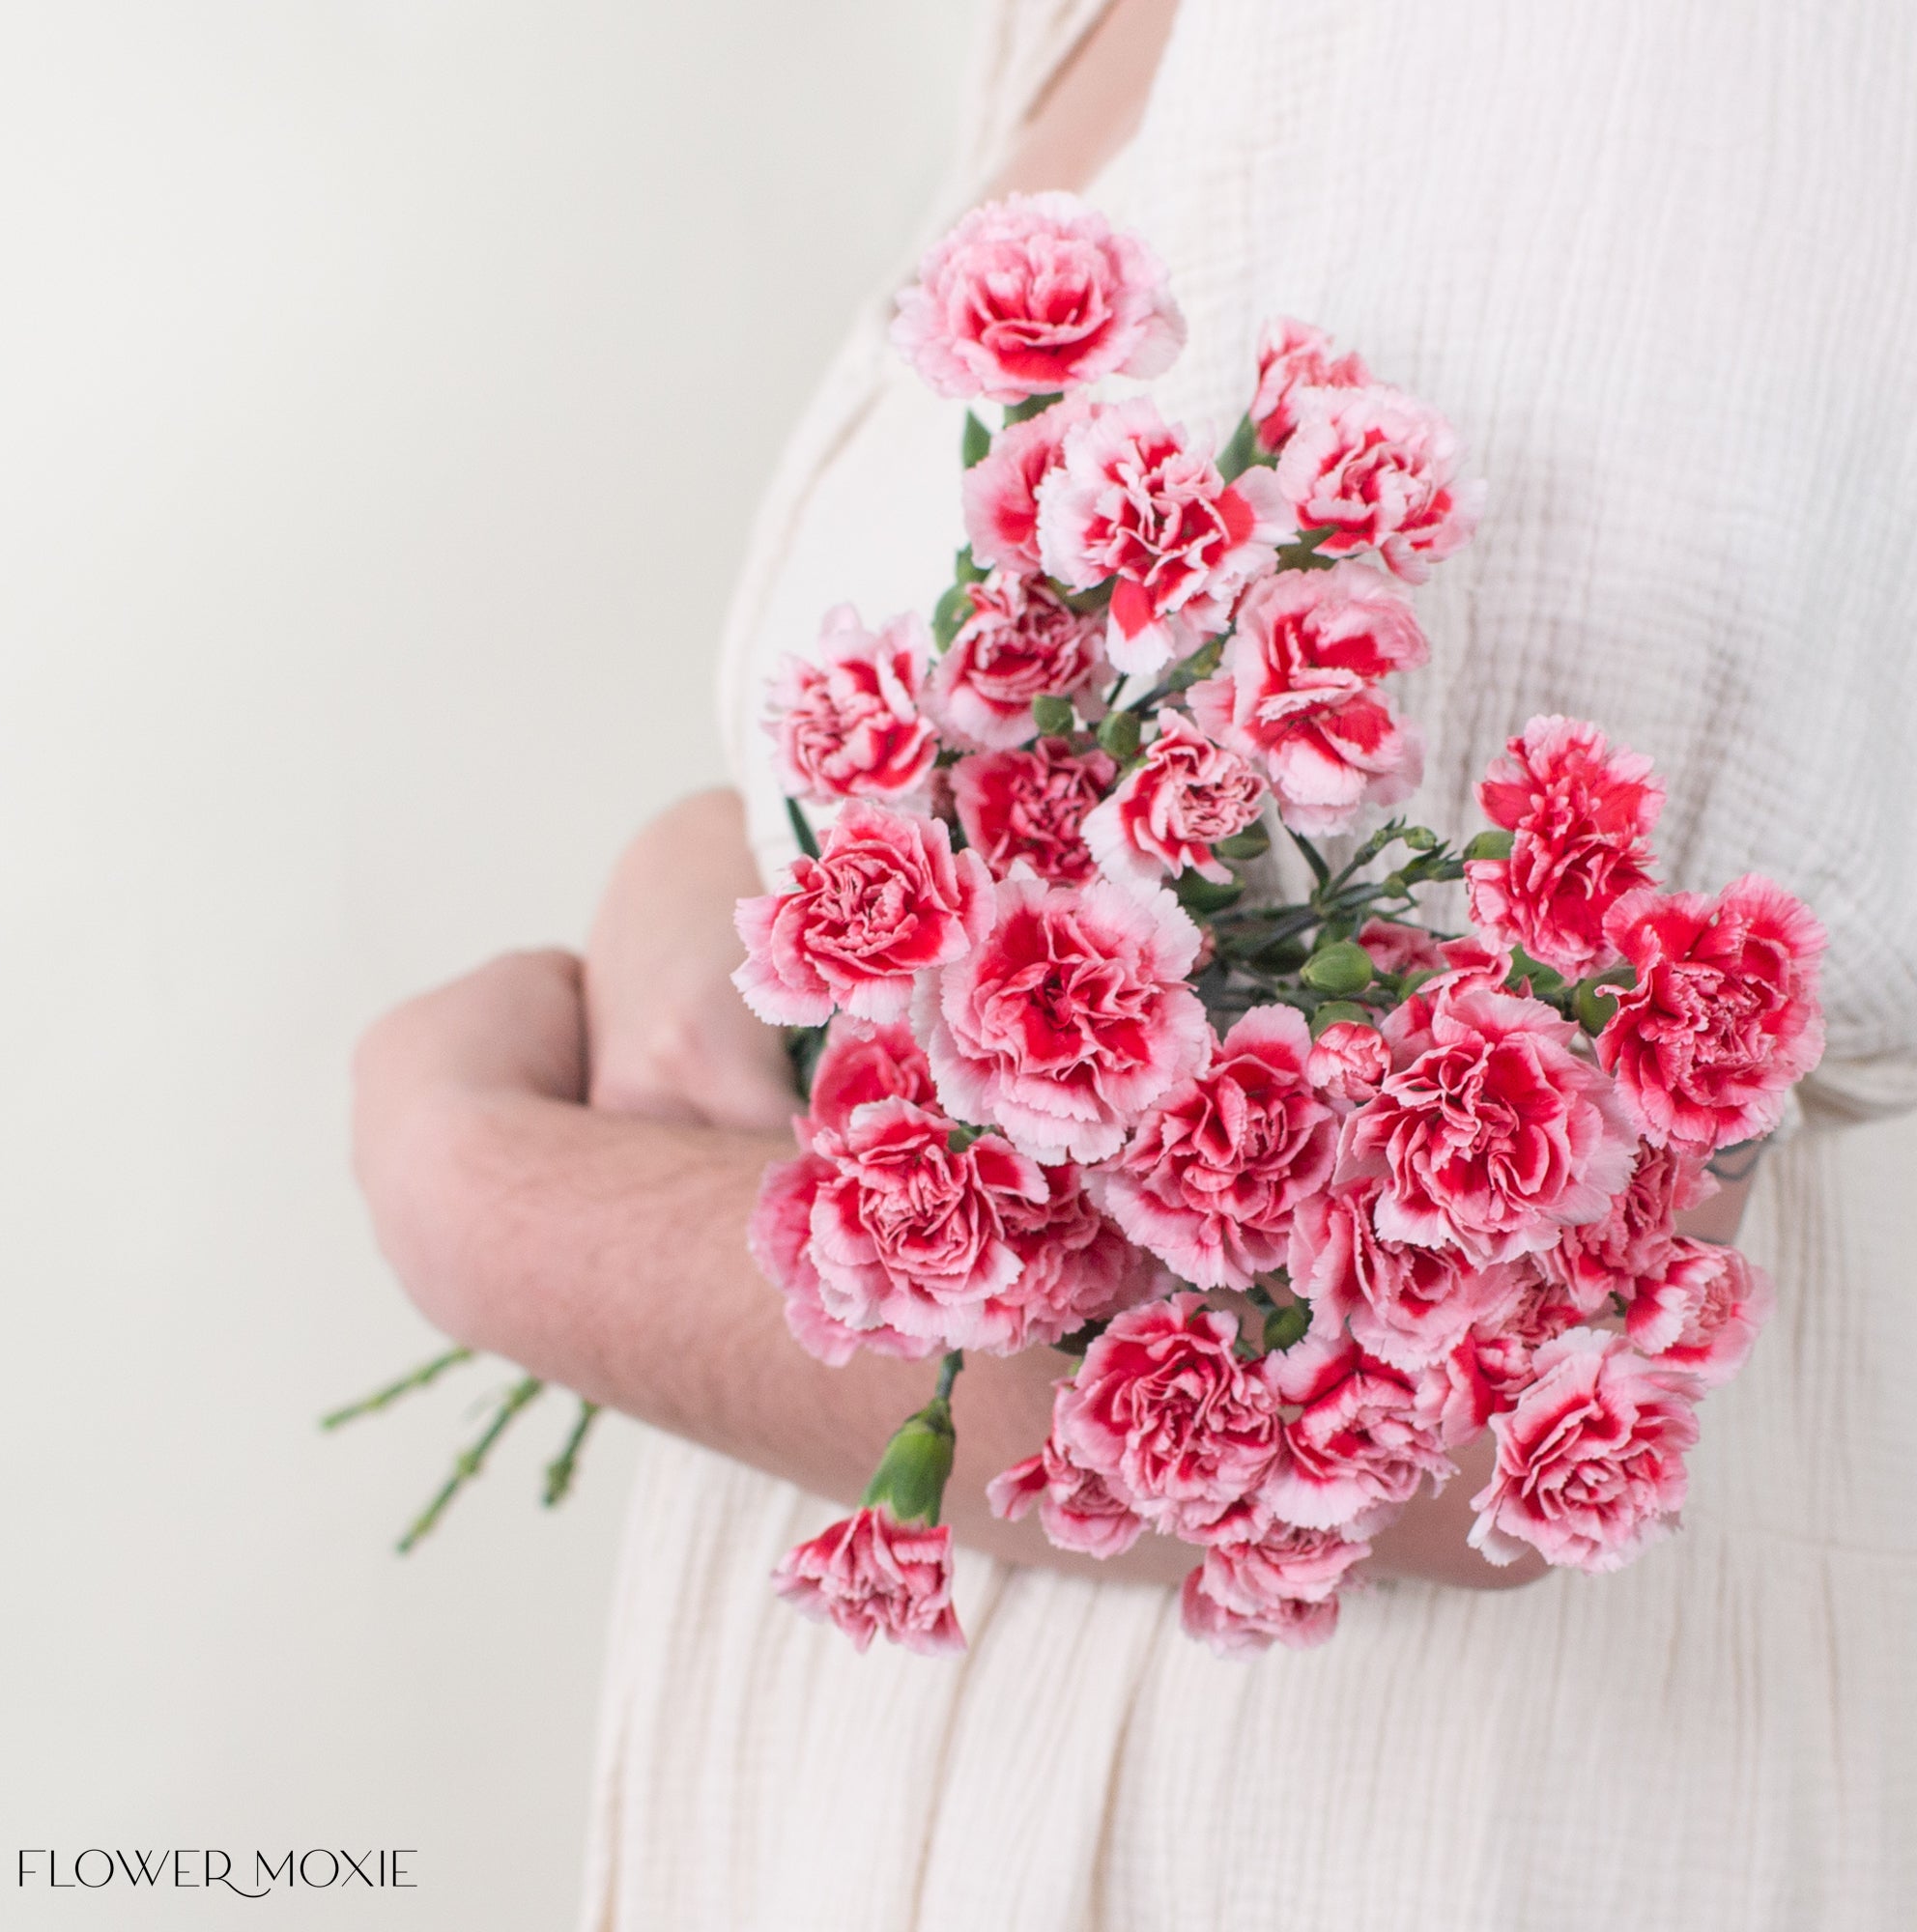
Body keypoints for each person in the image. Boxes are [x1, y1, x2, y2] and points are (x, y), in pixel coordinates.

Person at [352, 2, 1917, 1924]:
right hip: (878, 1788)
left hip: (1401, 1820)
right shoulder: (1054, 30)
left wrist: (476, 1192)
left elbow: (1455, 1403)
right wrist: (714, 861)